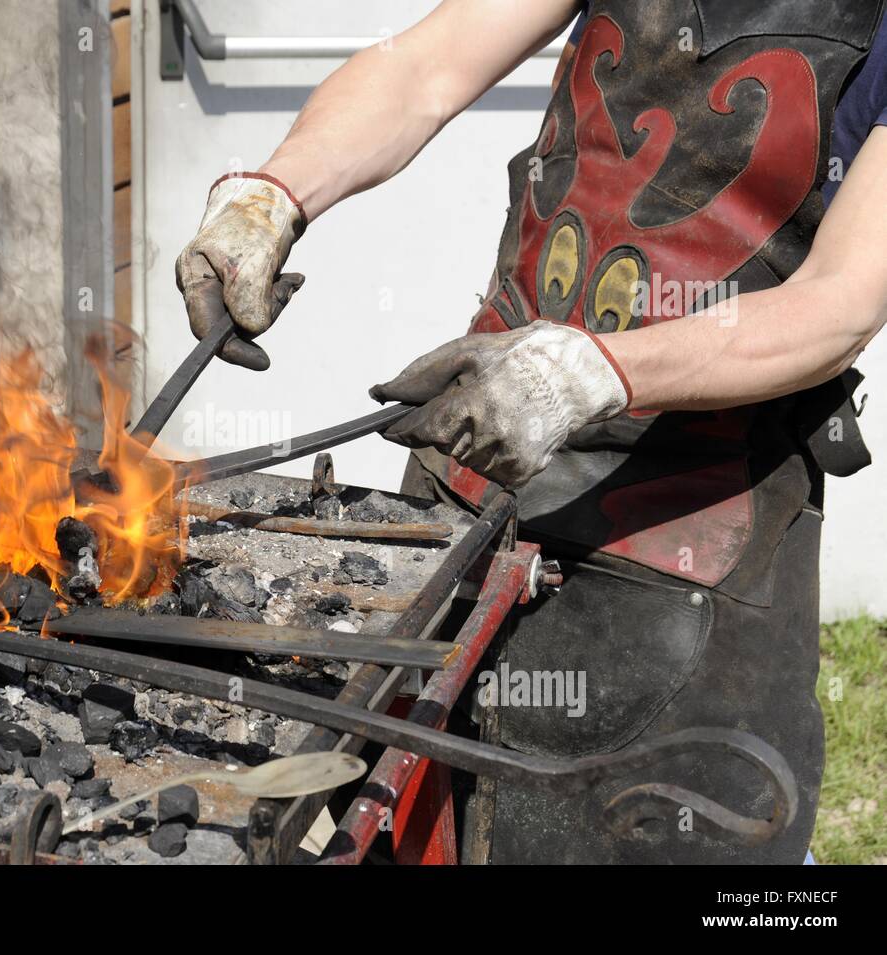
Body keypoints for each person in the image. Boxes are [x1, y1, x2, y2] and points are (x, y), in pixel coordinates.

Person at [174, 0, 887, 863]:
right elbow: (422, 67)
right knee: (403, 821)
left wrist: (590, 374)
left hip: (681, 548)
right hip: (471, 492)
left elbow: (841, 304)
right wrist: (272, 193)